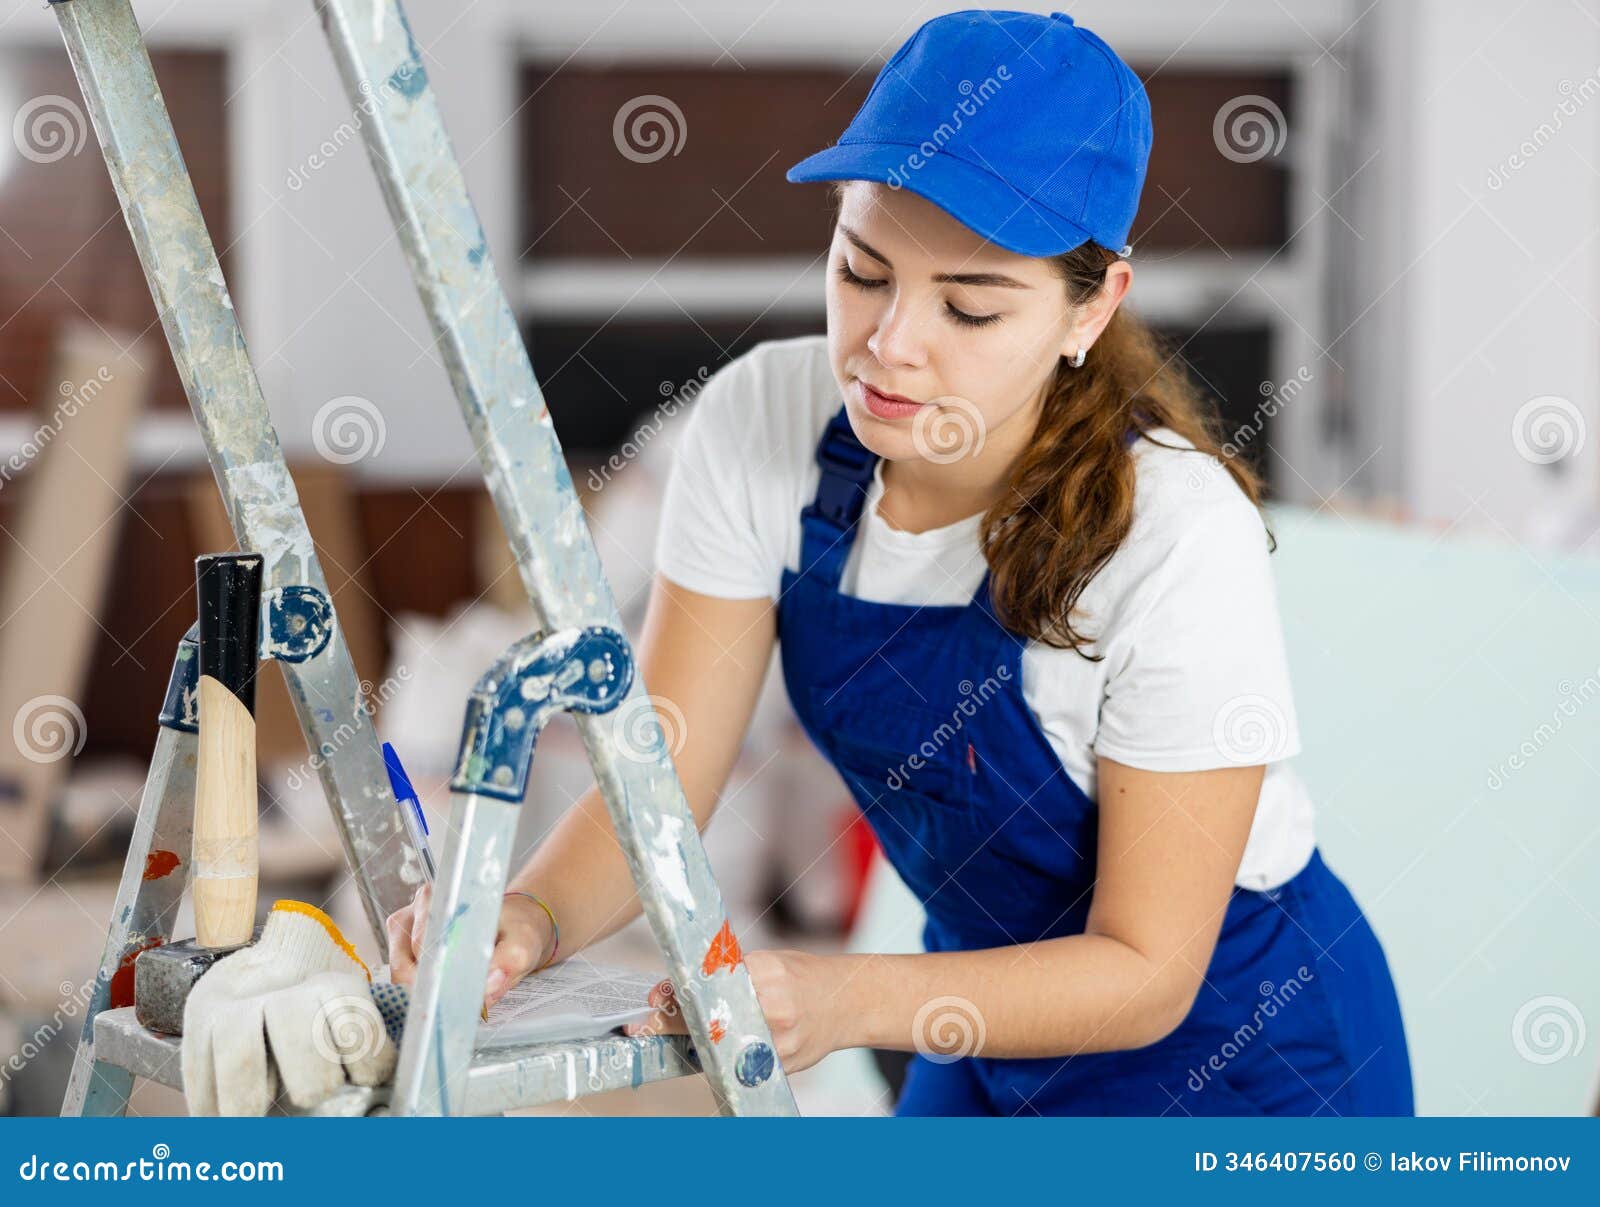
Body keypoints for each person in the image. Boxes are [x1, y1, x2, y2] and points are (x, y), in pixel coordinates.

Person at [388, 8, 1413, 1117]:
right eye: (862, 272)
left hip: (1240, 1052)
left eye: (969, 308)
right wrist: (526, 920)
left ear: (1091, 307)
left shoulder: (1170, 532)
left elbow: (1146, 969)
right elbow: (664, 775)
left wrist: (844, 1000)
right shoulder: (758, 429)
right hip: (983, 1012)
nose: (889, 346)